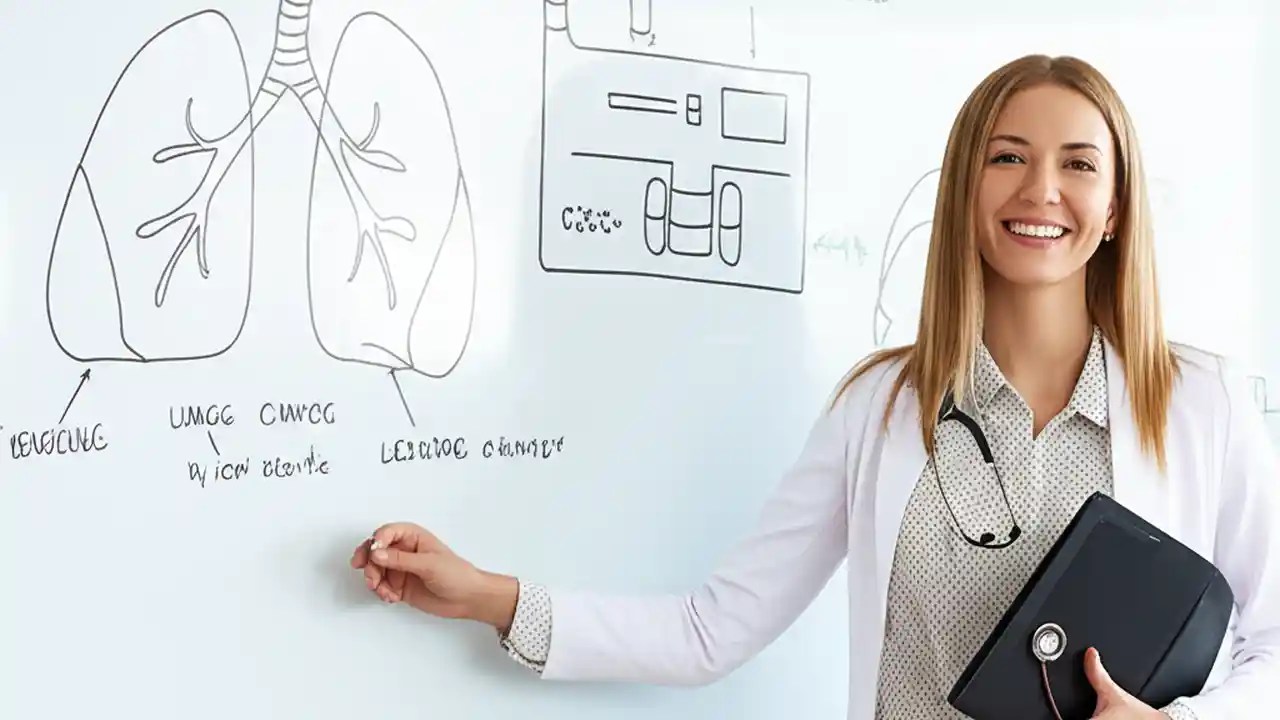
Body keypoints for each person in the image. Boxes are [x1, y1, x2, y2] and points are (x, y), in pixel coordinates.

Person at [349, 54, 1280, 719]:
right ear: (963, 186)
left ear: (1115, 208)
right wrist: (486, 596)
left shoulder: (1202, 404)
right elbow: (712, 631)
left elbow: (1272, 647)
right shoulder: (879, 409)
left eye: (1078, 163)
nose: (1041, 189)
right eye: (1008, 156)